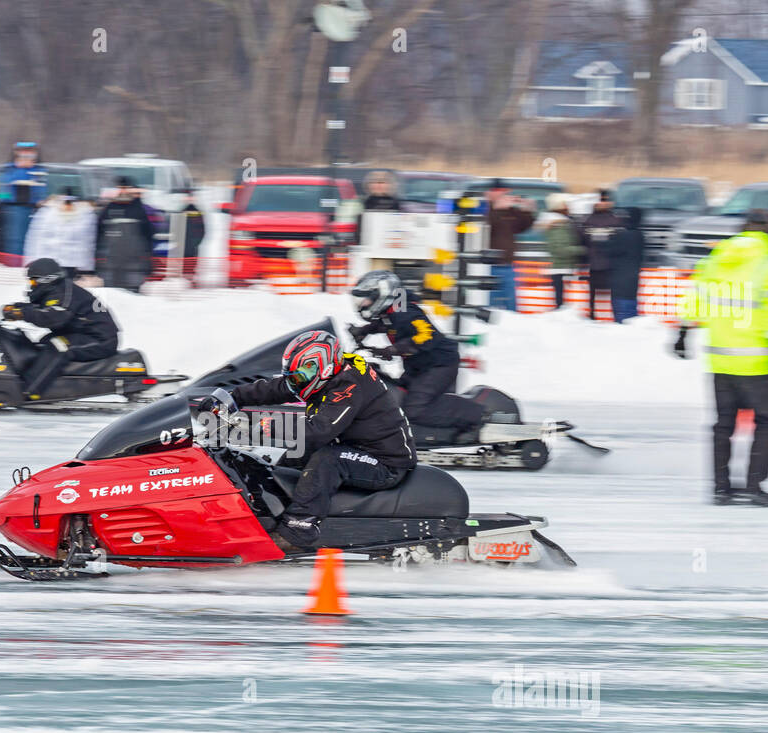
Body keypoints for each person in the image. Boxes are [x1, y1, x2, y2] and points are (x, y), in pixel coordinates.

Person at [208, 329, 416, 550]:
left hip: (385, 462)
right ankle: (263, 514)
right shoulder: (329, 375)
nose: (295, 382)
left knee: (328, 459)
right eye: (294, 376)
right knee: (278, 459)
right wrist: (232, 397)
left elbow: (318, 432)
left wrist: (264, 425)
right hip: (354, 445)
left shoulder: (350, 386)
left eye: (300, 375)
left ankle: (298, 531)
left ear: (324, 366)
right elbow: (279, 388)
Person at [674, 209, 768, 507]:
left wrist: (682, 332)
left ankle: (721, 488)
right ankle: (755, 486)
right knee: (766, 421)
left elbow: (696, 299)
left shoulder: (716, 260)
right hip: (757, 359)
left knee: (723, 424)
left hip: (720, 359)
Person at [348, 269, 463, 430]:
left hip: (439, 365)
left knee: (414, 409)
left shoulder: (406, 310)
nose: (363, 304)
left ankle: (472, 413)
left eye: (366, 299)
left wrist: (394, 349)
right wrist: (364, 331)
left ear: (381, 293)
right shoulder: (393, 310)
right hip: (419, 366)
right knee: (395, 399)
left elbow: (427, 333)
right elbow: (389, 324)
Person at [0, 258, 120, 399]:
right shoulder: (56, 290)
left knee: (59, 346)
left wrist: (22, 313)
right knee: (42, 344)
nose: (31, 285)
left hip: (100, 339)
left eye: (33, 281)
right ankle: (35, 380)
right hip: (81, 333)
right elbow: (39, 308)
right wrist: (16, 308)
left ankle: (30, 391)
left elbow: (54, 317)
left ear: (47, 279)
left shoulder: (65, 293)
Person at [96, 177, 155, 292]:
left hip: (134, 264)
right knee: (111, 296)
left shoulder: (139, 210)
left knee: (132, 296)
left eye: (126, 188)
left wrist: (148, 261)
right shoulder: (109, 209)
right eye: (120, 188)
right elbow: (99, 235)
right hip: (111, 264)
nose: (123, 191)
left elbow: (148, 236)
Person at [484, 180, 536, 312]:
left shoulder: (510, 211)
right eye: (501, 192)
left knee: (511, 303)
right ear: (491, 193)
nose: (505, 195)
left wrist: (527, 210)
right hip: (488, 267)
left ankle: (511, 327)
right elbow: (484, 228)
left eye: (506, 192)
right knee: (491, 303)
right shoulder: (484, 208)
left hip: (508, 265)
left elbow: (522, 227)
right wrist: (496, 209)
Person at [24, 187, 97, 277]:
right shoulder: (47, 214)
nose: (67, 205)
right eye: (65, 202)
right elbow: (36, 237)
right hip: (49, 262)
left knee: (67, 287)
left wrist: (87, 267)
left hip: (70, 263)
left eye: (70, 202)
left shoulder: (84, 216)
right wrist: (32, 260)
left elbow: (87, 242)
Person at [0, 141, 46, 257]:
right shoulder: (9, 170)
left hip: (34, 210)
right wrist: (10, 199)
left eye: (30, 153)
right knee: (15, 241)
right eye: (23, 152)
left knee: (33, 241)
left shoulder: (39, 170)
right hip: (14, 210)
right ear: (17, 153)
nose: (27, 156)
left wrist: (39, 200)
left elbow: (42, 191)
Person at [579, 189, 622, 320]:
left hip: (610, 264)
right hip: (594, 263)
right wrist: (582, 263)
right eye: (601, 200)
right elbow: (583, 241)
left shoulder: (615, 220)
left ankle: (614, 316)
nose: (603, 203)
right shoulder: (589, 220)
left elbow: (619, 241)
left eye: (606, 200)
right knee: (592, 291)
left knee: (612, 291)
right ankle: (591, 315)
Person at [541, 193, 583, 310]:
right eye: (566, 205)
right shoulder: (557, 226)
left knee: (563, 306)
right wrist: (582, 250)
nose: (569, 208)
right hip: (561, 269)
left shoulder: (562, 223)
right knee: (561, 306)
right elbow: (561, 249)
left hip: (564, 268)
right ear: (560, 208)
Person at [607, 206, 645, 323]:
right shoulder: (640, 236)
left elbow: (609, 250)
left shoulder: (623, 236)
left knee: (622, 320)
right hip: (632, 284)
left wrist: (610, 237)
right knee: (630, 318)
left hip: (619, 285)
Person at [176, 189, 205, 280]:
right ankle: (183, 280)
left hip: (193, 245)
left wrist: (197, 242)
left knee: (191, 265)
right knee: (182, 266)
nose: (190, 199)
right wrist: (178, 242)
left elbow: (203, 229)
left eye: (191, 197)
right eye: (188, 197)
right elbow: (176, 228)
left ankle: (190, 279)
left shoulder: (199, 212)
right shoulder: (181, 211)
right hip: (183, 245)